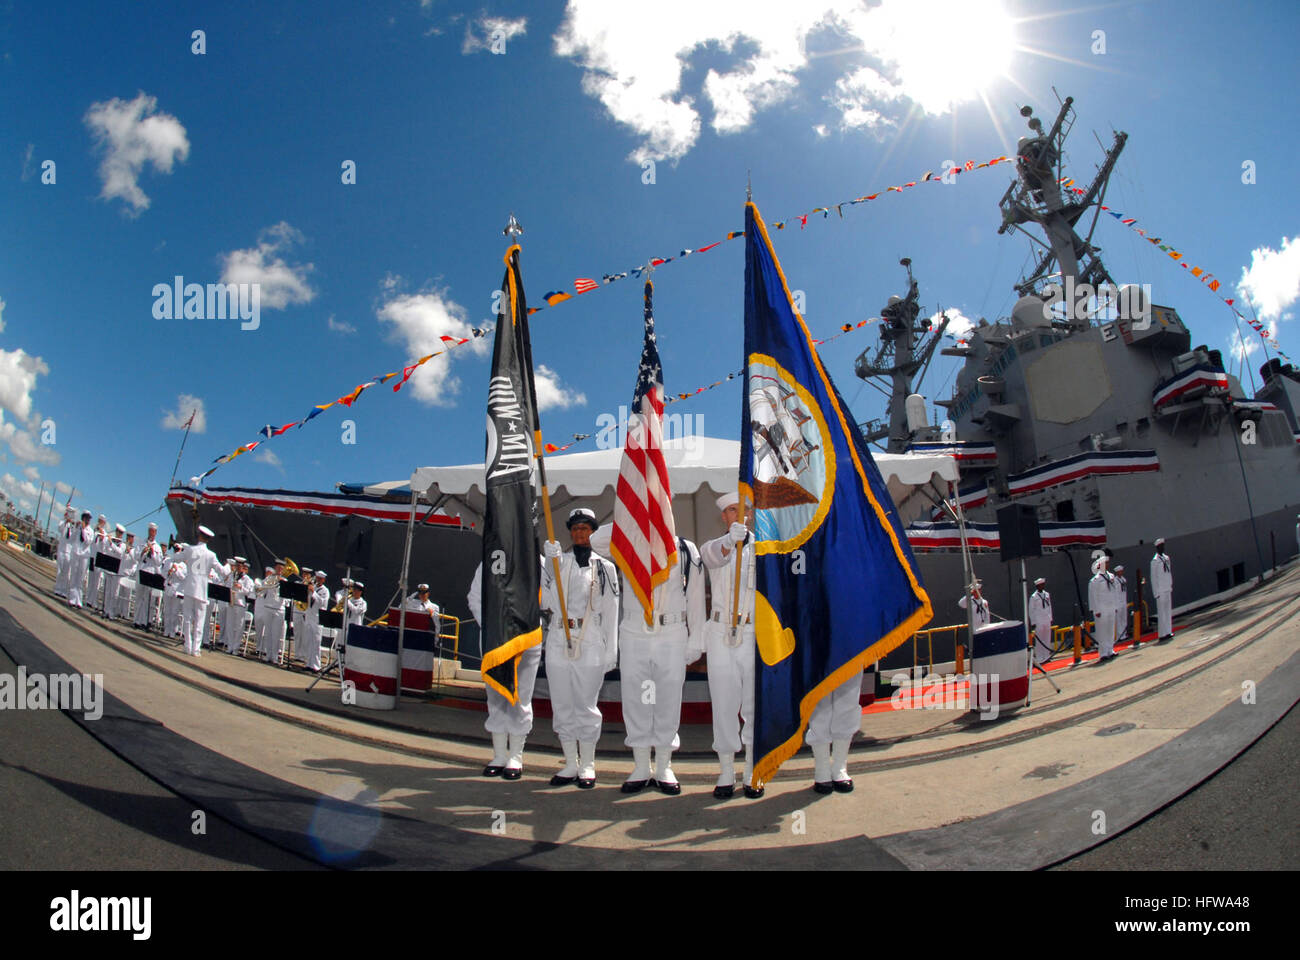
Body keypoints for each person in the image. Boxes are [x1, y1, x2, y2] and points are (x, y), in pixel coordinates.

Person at [587, 516, 705, 797]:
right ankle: (641, 766)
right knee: (637, 698)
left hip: (671, 632)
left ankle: (664, 765)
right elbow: (596, 541)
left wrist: (696, 640)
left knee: (667, 698)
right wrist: (631, 512)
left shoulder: (686, 550)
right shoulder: (629, 543)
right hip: (634, 631)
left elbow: (696, 597)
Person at [539, 508, 619, 787]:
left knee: (585, 704)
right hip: (560, 636)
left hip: (591, 637)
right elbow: (545, 602)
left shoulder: (606, 567)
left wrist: (611, 652)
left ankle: (587, 764)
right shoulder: (559, 563)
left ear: (593, 532)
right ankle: (570, 764)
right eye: (575, 529)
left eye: (584, 528)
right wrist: (549, 567)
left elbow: (611, 611)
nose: (579, 533)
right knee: (562, 703)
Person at [700, 492, 761, 799]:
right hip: (721, 631)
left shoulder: (764, 550)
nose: (736, 515)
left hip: (752, 631)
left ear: (749, 514)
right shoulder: (711, 546)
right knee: (724, 703)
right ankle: (726, 770)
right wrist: (729, 542)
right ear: (723, 517)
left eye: (742, 510)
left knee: (752, 704)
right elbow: (713, 556)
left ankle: (752, 768)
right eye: (730, 510)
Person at [467, 563, 543, 780]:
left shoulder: (540, 563)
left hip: (527, 638)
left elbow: (550, 600)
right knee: (496, 696)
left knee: (521, 697)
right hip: (496, 638)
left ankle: (516, 757)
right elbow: (475, 597)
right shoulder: (489, 562)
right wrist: (495, 626)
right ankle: (499, 755)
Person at [177, 527, 220, 657]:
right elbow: (221, 571)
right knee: (200, 621)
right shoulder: (211, 555)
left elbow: (177, 558)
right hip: (202, 591)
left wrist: (177, 552)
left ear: (199, 536)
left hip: (189, 588)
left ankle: (187, 646)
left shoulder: (190, 549)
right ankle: (196, 649)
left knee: (188, 619)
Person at [255, 559, 287, 663]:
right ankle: (268, 655)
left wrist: (282, 583)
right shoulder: (269, 578)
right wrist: (274, 580)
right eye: (278, 568)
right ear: (275, 568)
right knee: (268, 632)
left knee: (276, 634)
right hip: (268, 607)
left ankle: (275, 657)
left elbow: (287, 598)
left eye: (281, 569)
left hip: (279, 609)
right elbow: (261, 590)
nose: (279, 570)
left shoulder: (285, 581)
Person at [134, 523, 165, 630]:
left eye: (153, 531)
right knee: (138, 597)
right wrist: (143, 552)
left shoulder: (157, 547)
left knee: (147, 599)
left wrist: (152, 552)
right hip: (141, 570)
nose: (151, 533)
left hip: (150, 572)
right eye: (150, 531)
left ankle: (144, 621)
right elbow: (135, 556)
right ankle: (136, 621)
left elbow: (158, 562)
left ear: (155, 533)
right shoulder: (142, 543)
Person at [1089, 554, 1118, 663]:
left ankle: (1110, 650)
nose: (1107, 565)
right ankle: (1103, 653)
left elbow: (1114, 592)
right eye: (1105, 563)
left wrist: (1115, 606)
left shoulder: (1111, 576)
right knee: (1102, 631)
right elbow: (1093, 596)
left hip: (1110, 606)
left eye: (1107, 563)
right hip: (1101, 608)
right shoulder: (1095, 580)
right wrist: (1095, 610)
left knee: (1110, 629)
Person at [302, 571, 330, 671]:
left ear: (323, 580)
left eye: (320, 578)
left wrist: (313, 592)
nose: (317, 580)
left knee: (316, 642)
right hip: (309, 615)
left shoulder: (325, 591)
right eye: (317, 578)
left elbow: (321, 602)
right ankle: (308, 663)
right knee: (309, 641)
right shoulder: (312, 587)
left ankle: (316, 666)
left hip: (318, 617)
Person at [224, 558, 254, 654]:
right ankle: (230, 646)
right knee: (230, 625)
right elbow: (227, 586)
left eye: (240, 566)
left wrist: (241, 587)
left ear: (243, 567)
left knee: (239, 627)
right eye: (236, 566)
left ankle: (236, 648)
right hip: (231, 602)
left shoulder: (247, 579)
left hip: (240, 604)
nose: (238, 568)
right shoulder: (231, 575)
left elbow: (249, 592)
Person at [68, 511, 96, 608]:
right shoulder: (78, 528)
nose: (87, 520)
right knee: (73, 576)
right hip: (76, 553)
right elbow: (71, 539)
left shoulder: (90, 531)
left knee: (80, 578)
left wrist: (83, 529)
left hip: (84, 555)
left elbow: (87, 541)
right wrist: (76, 528)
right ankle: (72, 599)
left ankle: (78, 600)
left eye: (88, 519)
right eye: (86, 518)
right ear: (82, 518)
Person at [1150, 538, 1173, 643]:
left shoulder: (1167, 558)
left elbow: (1169, 573)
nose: (1163, 548)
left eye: (1163, 546)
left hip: (1167, 587)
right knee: (1162, 612)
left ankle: (1168, 631)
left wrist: (1170, 585)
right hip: (1160, 590)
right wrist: (1156, 593)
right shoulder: (1154, 561)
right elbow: (1153, 578)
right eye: (1161, 546)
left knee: (1168, 611)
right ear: (1157, 548)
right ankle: (1162, 633)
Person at [164, 543, 187, 637]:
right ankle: (166, 630)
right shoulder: (168, 560)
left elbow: (183, 577)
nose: (176, 551)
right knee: (167, 611)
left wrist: (176, 570)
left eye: (178, 550)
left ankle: (173, 632)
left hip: (178, 590)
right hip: (168, 587)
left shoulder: (184, 565)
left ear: (181, 551)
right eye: (175, 549)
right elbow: (163, 573)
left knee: (174, 612)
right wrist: (168, 573)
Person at [1028, 577, 1053, 666]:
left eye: (1043, 584)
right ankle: (1040, 657)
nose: (1042, 586)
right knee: (1040, 639)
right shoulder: (1033, 597)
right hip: (1038, 620)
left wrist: (1050, 618)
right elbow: (1031, 610)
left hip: (1046, 618)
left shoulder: (1047, 594)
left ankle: (1046, 656)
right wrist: (1033, 622)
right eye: (1040, 585)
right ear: (1037, 586)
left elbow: (1049, 606)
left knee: (1047, 637)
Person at [1113, 564, 1130, 642]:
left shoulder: (1123, 579)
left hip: (1123, 601)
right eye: (1120, 571)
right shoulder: (1115, 581)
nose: (1121, 572)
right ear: (1117, 572)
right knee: (1118, 620)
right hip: (1117, 602)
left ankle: (1124, 633)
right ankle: (1119, 635)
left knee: (1124, 618)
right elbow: (1114, 593)